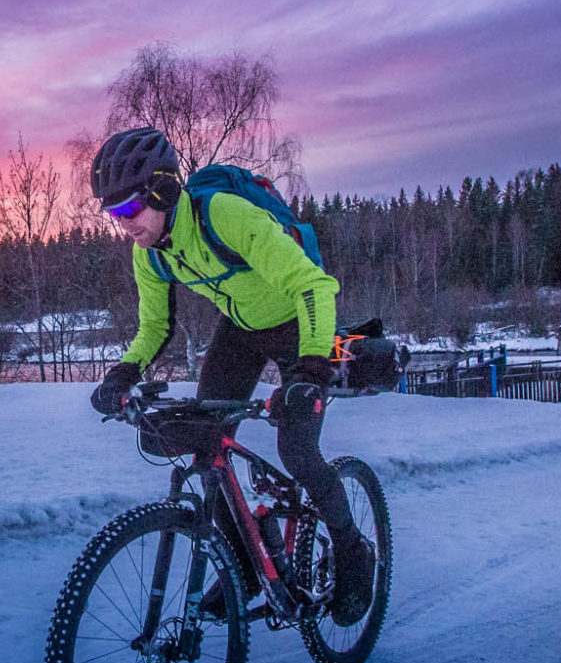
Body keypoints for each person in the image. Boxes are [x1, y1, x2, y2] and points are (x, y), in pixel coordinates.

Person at [86, 126, 374, 625]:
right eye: (113, 213)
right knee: (206, 443)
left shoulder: (225, 216)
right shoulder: (149, 252)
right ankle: (243, 564)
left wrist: (311, 369)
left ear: (164, 190)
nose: (124, 224)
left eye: (130, 208)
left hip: (299, 327)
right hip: (240, 331)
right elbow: (155, 327)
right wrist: (122, 374)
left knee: (298, 451)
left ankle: (353, 551)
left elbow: (313, 285)